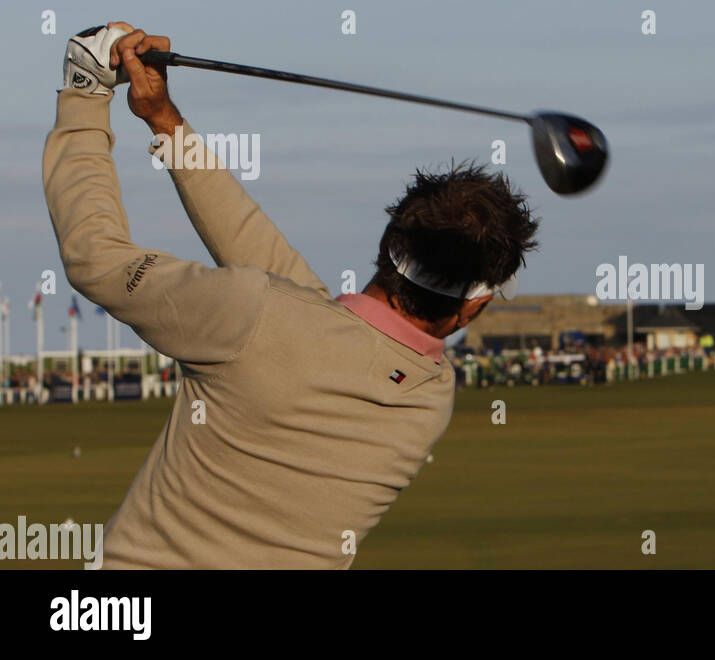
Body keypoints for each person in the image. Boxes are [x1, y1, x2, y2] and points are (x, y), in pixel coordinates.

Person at [44, 24, 538, 568]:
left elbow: (94, 256)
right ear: (473, 305)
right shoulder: (429, 397)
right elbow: (296, 305)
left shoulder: (254, 315)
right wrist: (167, 125)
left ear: (387, 241)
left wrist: (86, 90)